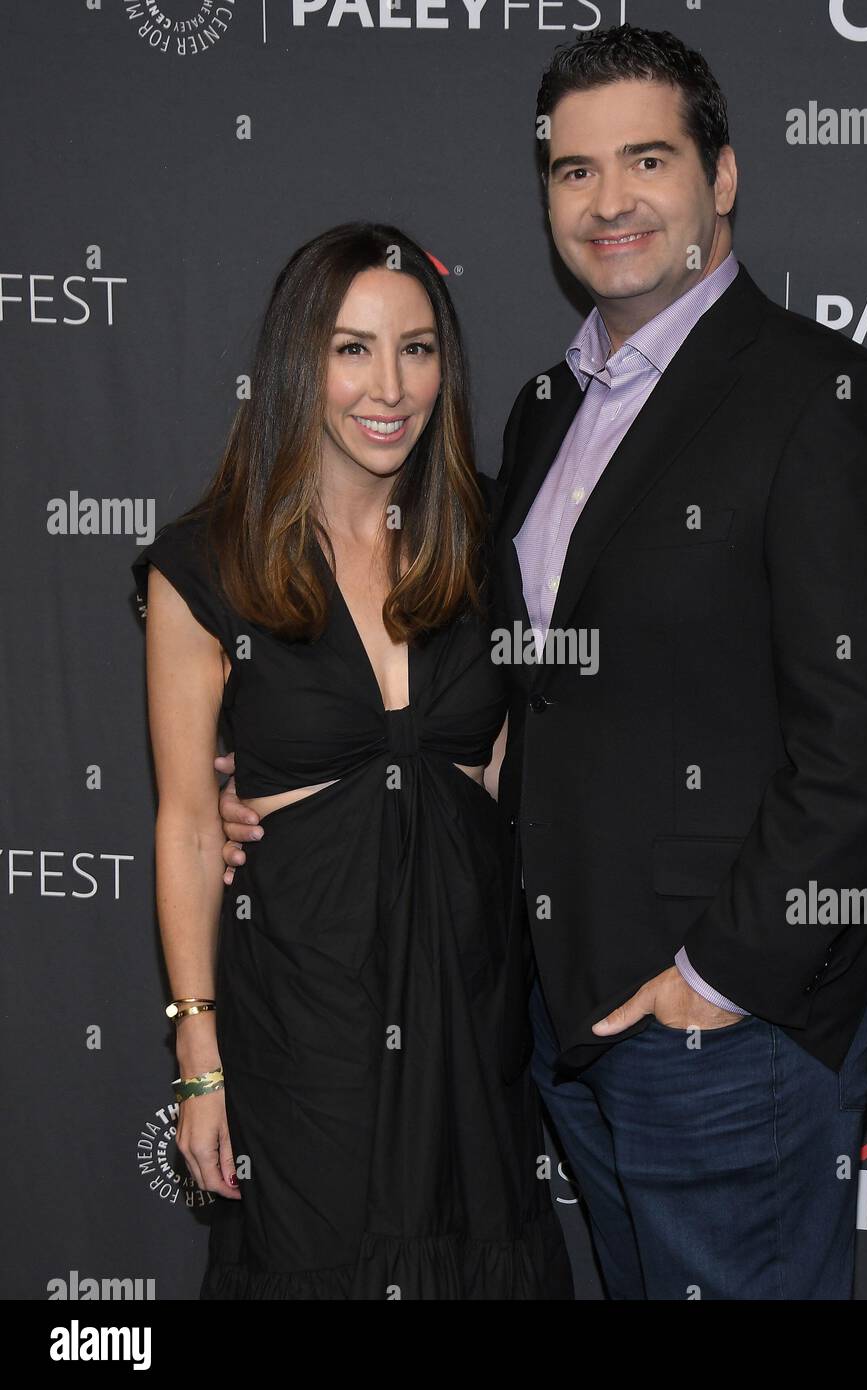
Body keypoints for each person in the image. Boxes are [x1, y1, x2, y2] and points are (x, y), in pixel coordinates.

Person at [219, 26, 867, 1300]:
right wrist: (293, 776)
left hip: (729, 1026)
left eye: (647, 160)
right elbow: (493, 686)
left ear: (720, 178)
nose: (608, 201)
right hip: (558, 1017)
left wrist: (714, 984)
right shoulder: (547, 411)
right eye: (573, 170)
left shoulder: (822, 400)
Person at [132, 221, 572, 1300]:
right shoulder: (207, 564)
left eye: (417, 348)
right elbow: (190, 821)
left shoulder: (486, 545)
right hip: (305, 1025)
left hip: (470, 1027)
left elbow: (504, 787)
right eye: (352, 348)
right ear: (298, 363)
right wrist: (199, 1064)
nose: (390, 385)